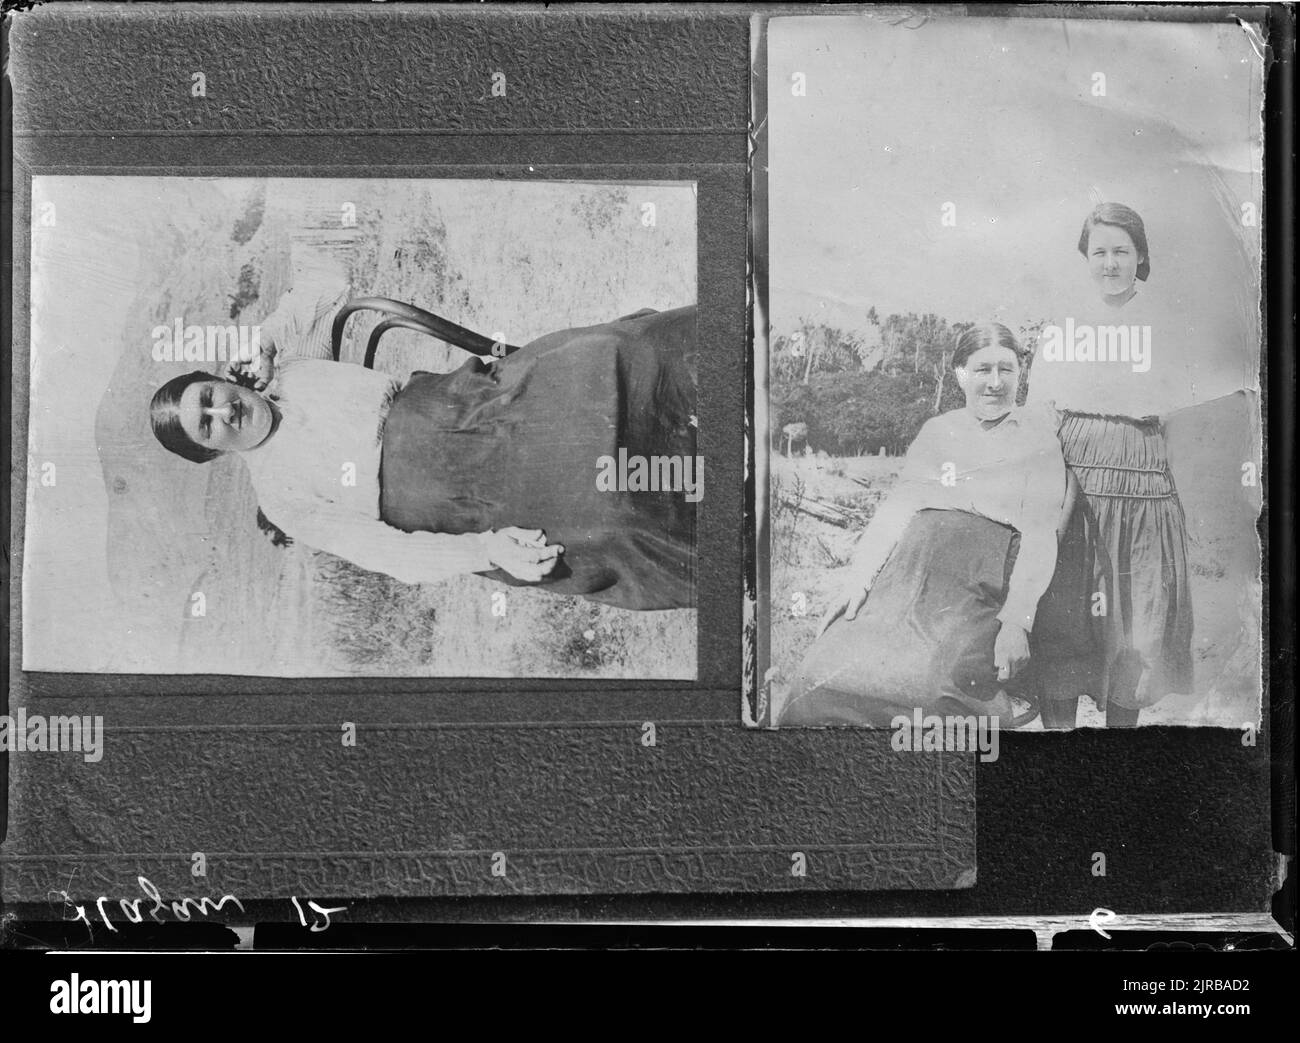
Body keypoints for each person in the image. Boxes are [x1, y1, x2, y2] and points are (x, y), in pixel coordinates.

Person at [150, 281, 698, 611]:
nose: (223, 411)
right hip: (469, 500)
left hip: (484, 404)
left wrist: (266, 336)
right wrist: (486, 551)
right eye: (208, 425)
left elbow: (329, 283)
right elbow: (386, 551)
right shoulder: (282, 500)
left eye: (210, 395)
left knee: (617, 351)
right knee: (613, 514)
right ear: (215, 451)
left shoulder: (287, 368)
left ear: (221, 378)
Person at [771, 324, 1067, 727]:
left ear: (1021, 374)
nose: (995, 383)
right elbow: (896, 511)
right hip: (908, 573)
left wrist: (1017, 621)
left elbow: (1040, 535)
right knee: (818, 675)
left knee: (929, 687)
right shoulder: (938, 432)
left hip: (980, 585)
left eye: (1006, 370)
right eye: (983, 370)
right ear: (961, 373)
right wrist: (857, 581)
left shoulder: (1039, 440)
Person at [1026, 202, 1197, 727]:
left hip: (1144, 488)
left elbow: (1183, 419)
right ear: (1086, 258)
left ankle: (1117, 769)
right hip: (1073, 482)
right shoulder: (1064, 322)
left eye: (1121, 250)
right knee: (1066, 622)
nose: (1110, 262)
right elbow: (1041, 412)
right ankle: (1058, 761)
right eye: (1098, 251)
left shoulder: (1167, 322)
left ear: (1140, 256)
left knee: (1134, 632)